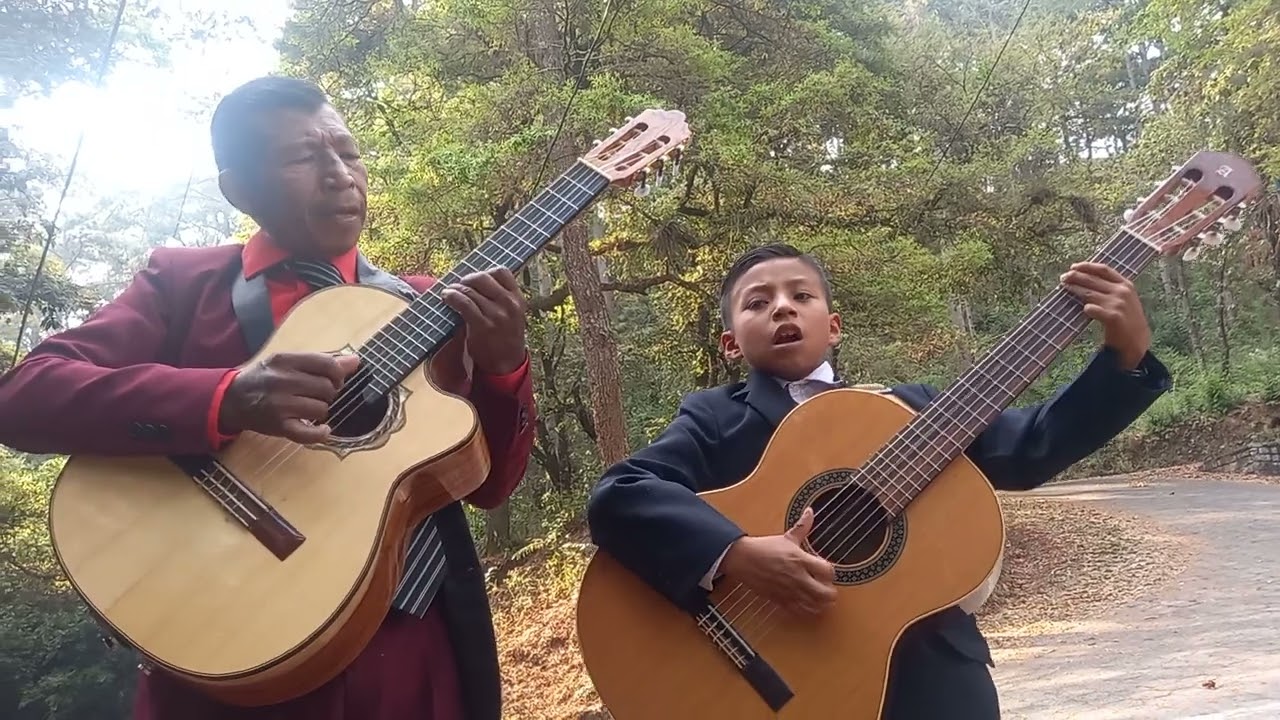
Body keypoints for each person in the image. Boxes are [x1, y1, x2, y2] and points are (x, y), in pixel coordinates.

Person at [0, 76, 536, 720]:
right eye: (302, 157)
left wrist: (504, 368)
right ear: (240, 189)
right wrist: (226, 398)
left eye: (348, 151)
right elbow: (23, 396)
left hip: (420, 648)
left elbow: (488, 485)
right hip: (232, 642)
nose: (339, 175)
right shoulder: (184, 283)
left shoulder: (425, 305)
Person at [586, 242, 1172, 718]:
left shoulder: (909, 411)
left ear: (834, 326)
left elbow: (1029, 448)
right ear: (731, 342)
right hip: (781, 687)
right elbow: (621, 494)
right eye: (758, 302)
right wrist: (737, 554)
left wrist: (1125, 360)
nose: (783, 308)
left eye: (801, 295)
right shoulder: (715, 418)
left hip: (936, 682)